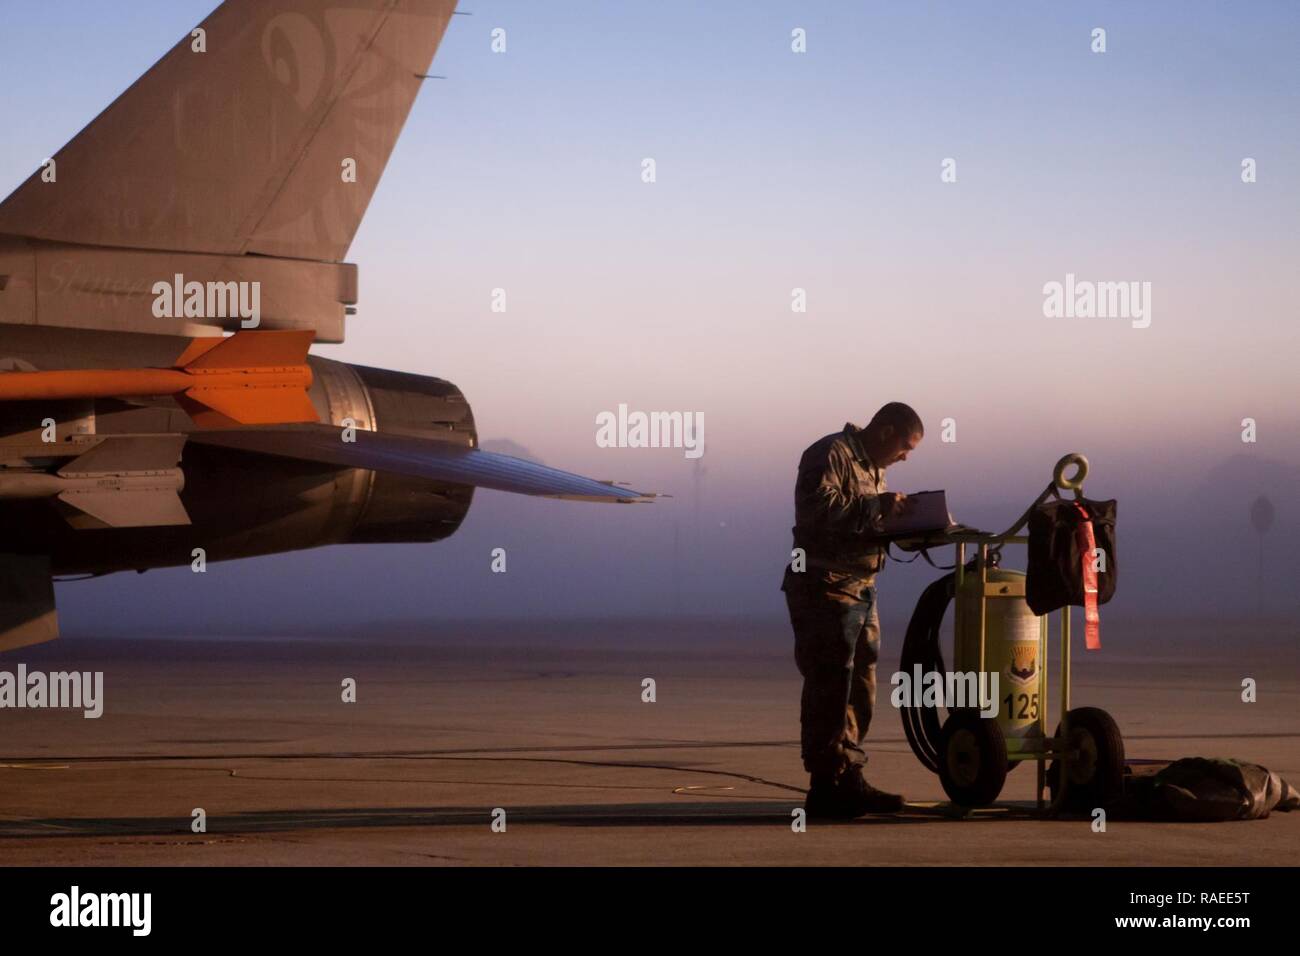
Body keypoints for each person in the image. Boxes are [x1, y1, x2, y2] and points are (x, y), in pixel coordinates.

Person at [781, 402, 924, 818]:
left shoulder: (874, 469)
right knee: (831, 682)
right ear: (885, 432)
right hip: (824, 586)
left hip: (860, 587)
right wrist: (878, 507)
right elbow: (818, 511)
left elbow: (859, 524)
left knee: (860, 684)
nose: (904, 457)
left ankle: (847, 775)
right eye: (904, 446)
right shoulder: (830, 454)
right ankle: (825, 785)